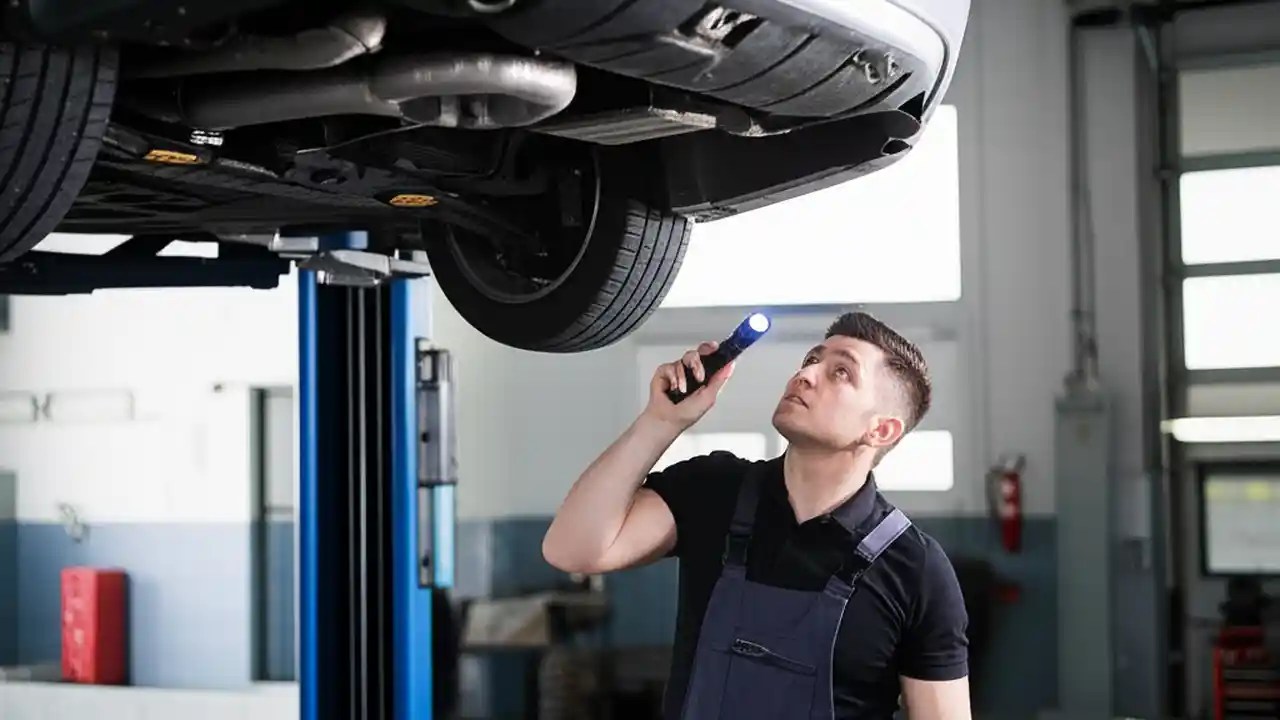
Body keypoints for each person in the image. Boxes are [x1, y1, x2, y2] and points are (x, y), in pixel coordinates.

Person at [542, 311, 972, 720]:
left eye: (841, 372)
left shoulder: (916, 571)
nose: (805, 374)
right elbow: (571, 550)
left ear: (880, 430)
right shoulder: (714, 491)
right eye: (812, 360)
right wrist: (660, 421)